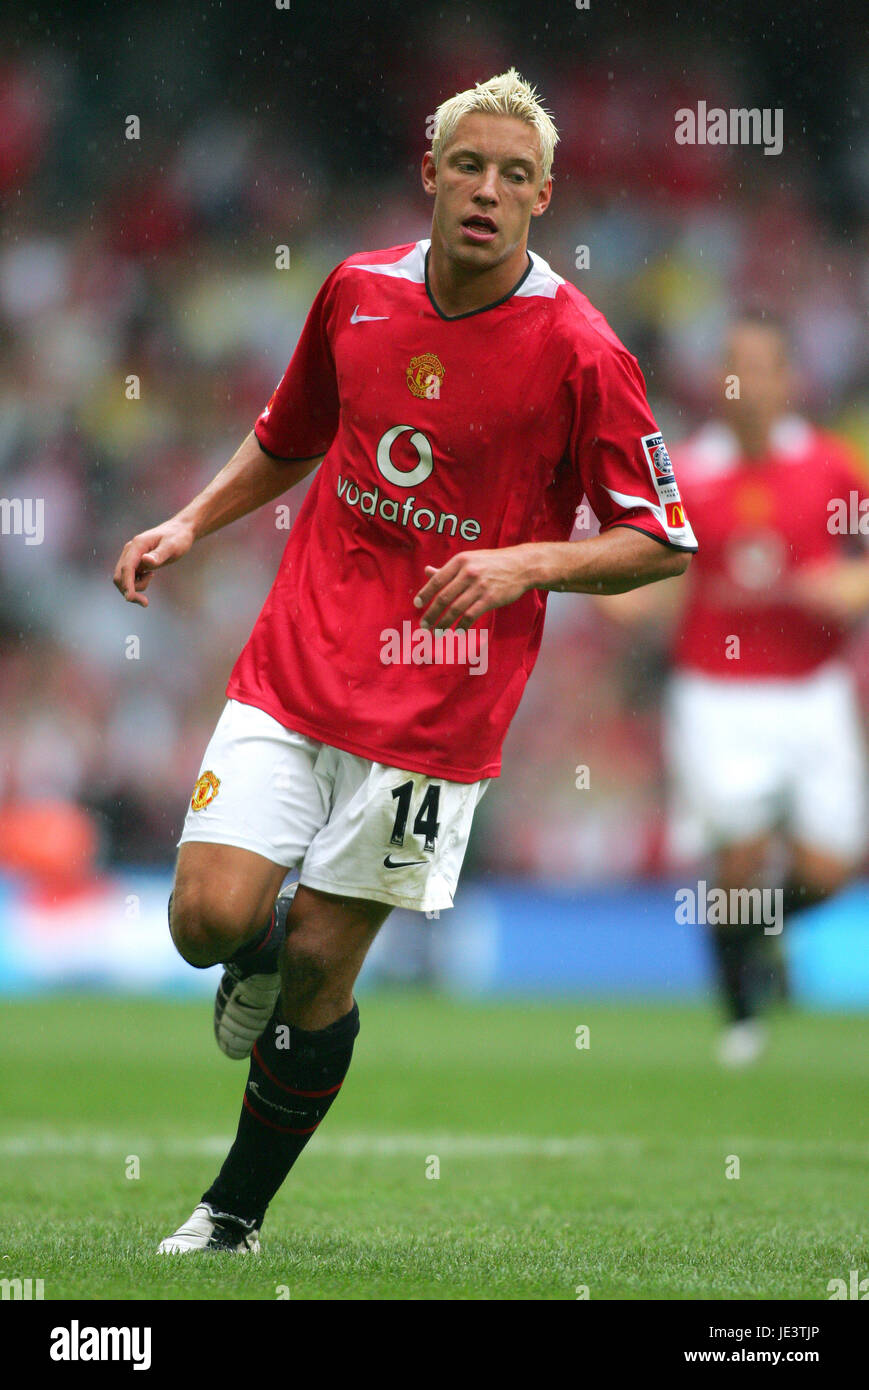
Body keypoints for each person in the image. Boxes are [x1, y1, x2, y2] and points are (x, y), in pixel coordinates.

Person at [112, 68, 695, 1253]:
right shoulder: (356, 290)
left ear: (544, 197)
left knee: (327, 963)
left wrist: (524, 563)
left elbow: (659, 542)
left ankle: (230, 1215)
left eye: (514, 177)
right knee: (204, 921)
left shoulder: (581, 349)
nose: (487, 191)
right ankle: (253, 949)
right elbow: (291, 433)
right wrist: (188, 523)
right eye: (468, 166)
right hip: (298, 663)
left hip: (438, 710)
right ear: (430, 173)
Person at [602, 313, 869, 1065]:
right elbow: (642, 573)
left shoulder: (830, 466)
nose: (742, 382)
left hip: (811, 691)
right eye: (731, 365)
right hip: (715, 695)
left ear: (790, 379)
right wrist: (614, 591)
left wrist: (847, 584)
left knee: (828, 869)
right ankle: (740, 1016)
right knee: (741, 857)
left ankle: (758, 935)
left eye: (758, 366)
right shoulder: (683, 472)